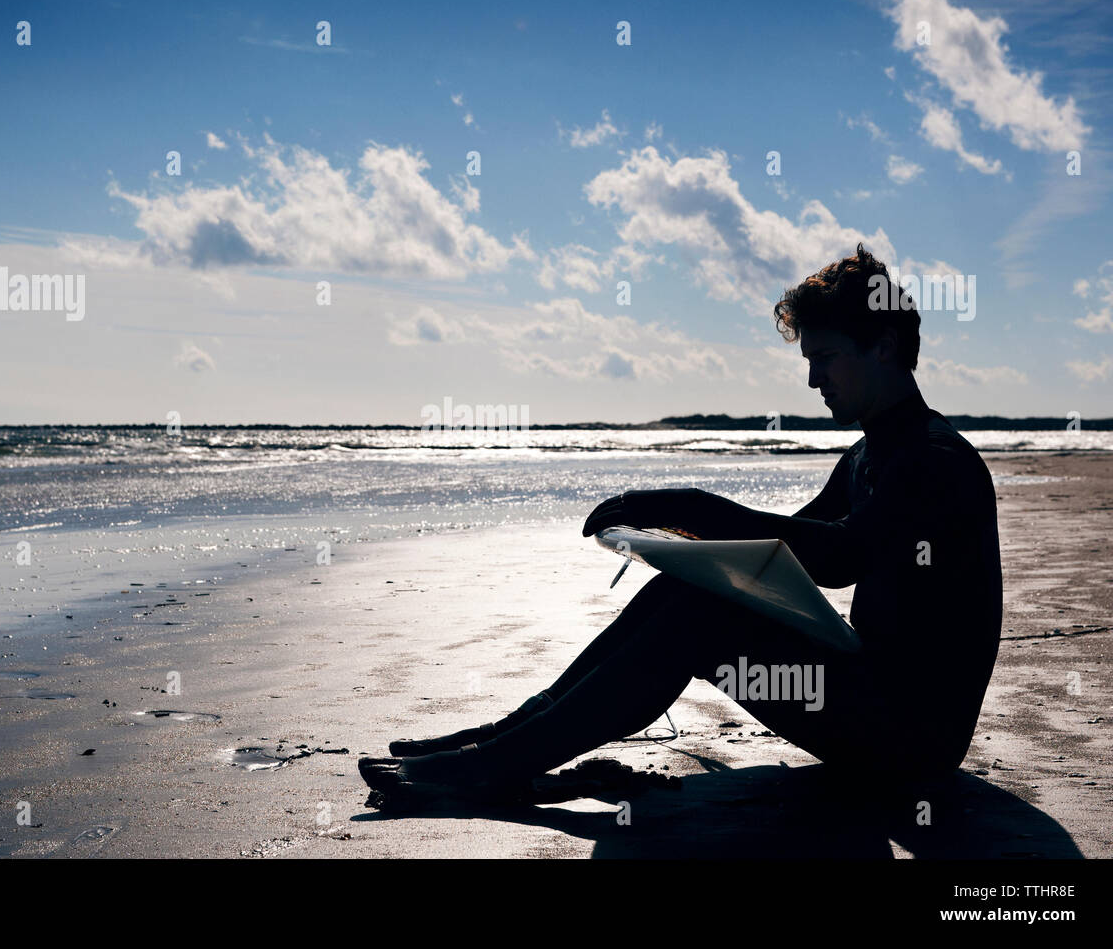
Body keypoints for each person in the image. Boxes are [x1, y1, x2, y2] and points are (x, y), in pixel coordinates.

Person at [360, 243, 1003, 802]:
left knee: (702, 617)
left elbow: (836, 559)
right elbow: (776, 557)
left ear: (885, 345)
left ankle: (494, 765)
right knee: (692, 592)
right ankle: (506, 739)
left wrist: (691, 505)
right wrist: (675, 539)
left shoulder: (935, 460)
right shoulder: (871, 452)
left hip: (912, 740)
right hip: (870, 700)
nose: (812, 380)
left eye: (826, 357)